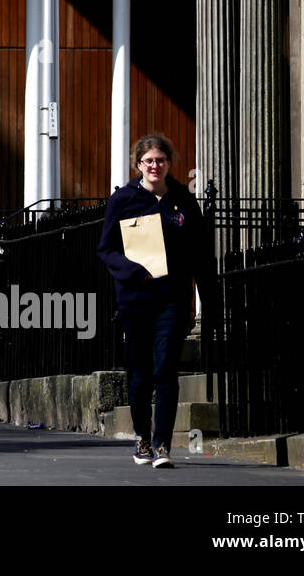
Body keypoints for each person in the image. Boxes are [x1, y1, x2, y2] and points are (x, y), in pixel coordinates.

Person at [97, 134, 216, 469]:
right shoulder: (123, 200)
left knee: (166, 370)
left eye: (160, 160)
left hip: (172, 299)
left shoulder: (183, 200)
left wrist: (210, 302)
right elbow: (106, 249)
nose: (154, 166)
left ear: (169, 164)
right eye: (148, 161)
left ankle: (163, 444)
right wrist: (133, 271)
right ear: (138, 165)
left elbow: (201, 255)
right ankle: (142, 440)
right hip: (136, 299)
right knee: (140, 373)